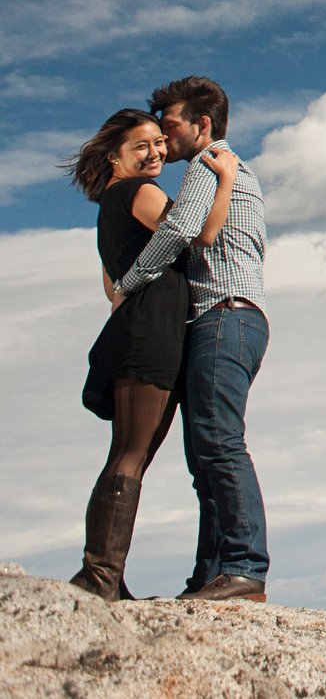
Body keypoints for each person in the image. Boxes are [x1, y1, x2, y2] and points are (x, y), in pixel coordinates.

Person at [110, 76, 271, 603]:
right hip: (227, 317)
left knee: (218, 442)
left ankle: (244, 567)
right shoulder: (222, 168)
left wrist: (129, 285)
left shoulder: (211, 162)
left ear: (202, 124)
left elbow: (180, 228)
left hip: (224, 314)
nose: (163, 133)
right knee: (205, 452)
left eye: (170, 123)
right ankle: (210, 576)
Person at [68, 109, 239, 601]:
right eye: (141, 146)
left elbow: (112, 290)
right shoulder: (138, 193)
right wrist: (225, 180)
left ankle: (106, 577)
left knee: (130, 454)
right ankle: (98, 577)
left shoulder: (109, 205)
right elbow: (196, 234)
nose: (156, 153)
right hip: (152, 333)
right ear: (114, 157)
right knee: (130, 454)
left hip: (136, 328)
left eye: (159, 144)